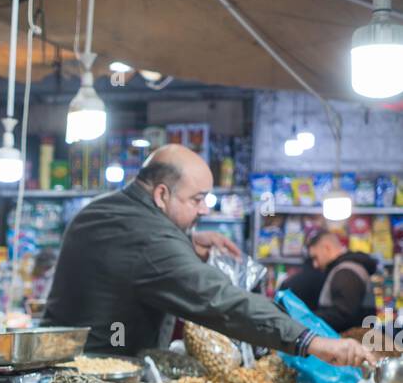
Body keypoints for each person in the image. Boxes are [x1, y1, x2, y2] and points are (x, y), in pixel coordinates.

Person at [44, 145, 374, 369]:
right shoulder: (147, 237)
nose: (204, 209)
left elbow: (134, 259)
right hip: (95, 377)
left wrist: (186, 241)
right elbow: (220, 300)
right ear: (162, 194)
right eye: (197, 199)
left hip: (72, 362)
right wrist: (309, 341)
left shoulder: (107, 210)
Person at [303, 229, 379, 333]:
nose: (315, 264)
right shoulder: (345, 269)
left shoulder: (346, 272)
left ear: (327, 248)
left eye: (315, 257)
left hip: (352, 344)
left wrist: (307, 318)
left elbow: (343, 315)